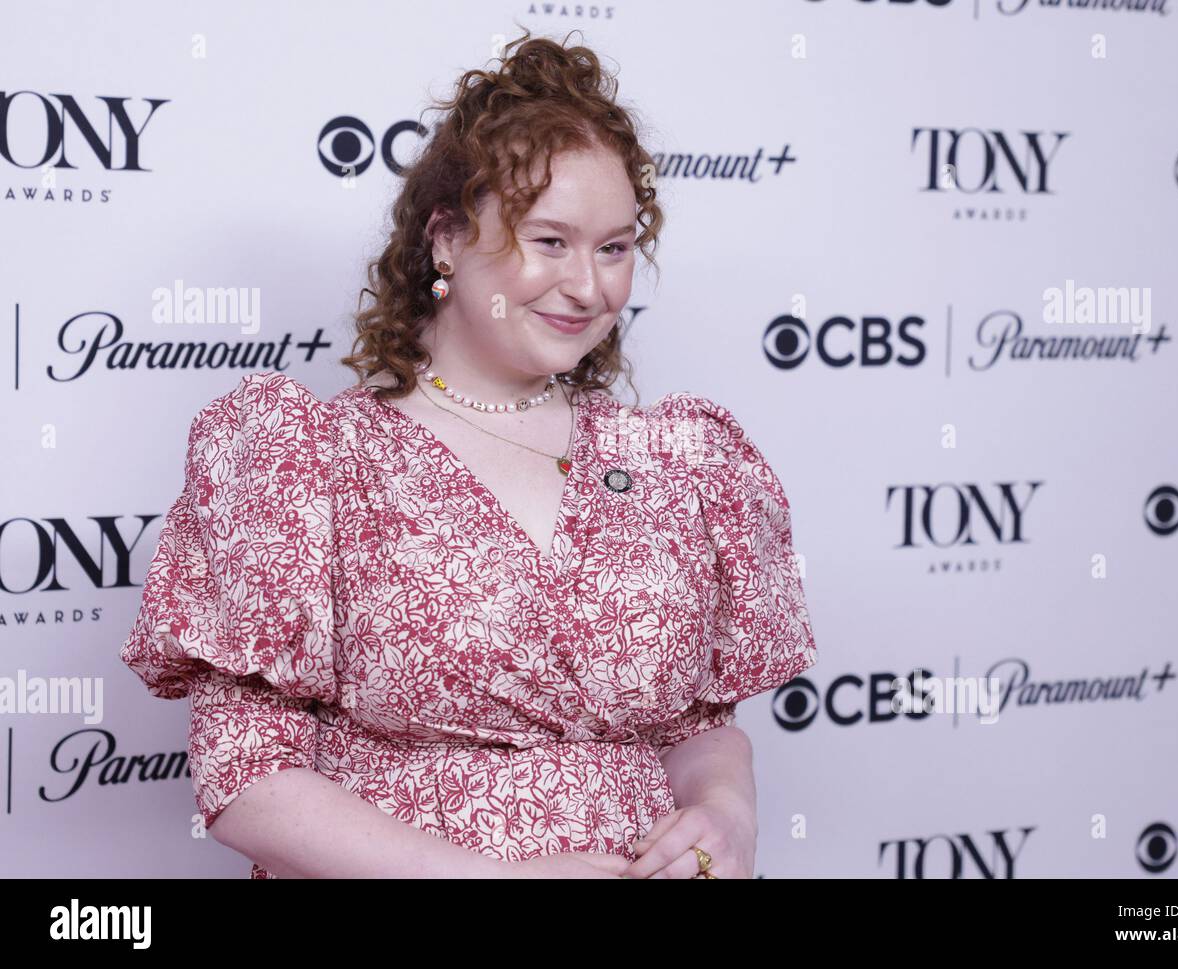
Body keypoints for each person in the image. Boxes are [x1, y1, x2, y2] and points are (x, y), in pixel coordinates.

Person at [120, 30, 817, 879]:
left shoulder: (681, 459)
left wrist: (727, 811)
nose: (592, 287)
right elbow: (248, 778)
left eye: (616, 247)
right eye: (550, 241)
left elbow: (695, 728)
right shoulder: (310, 461)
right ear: (447, 238)